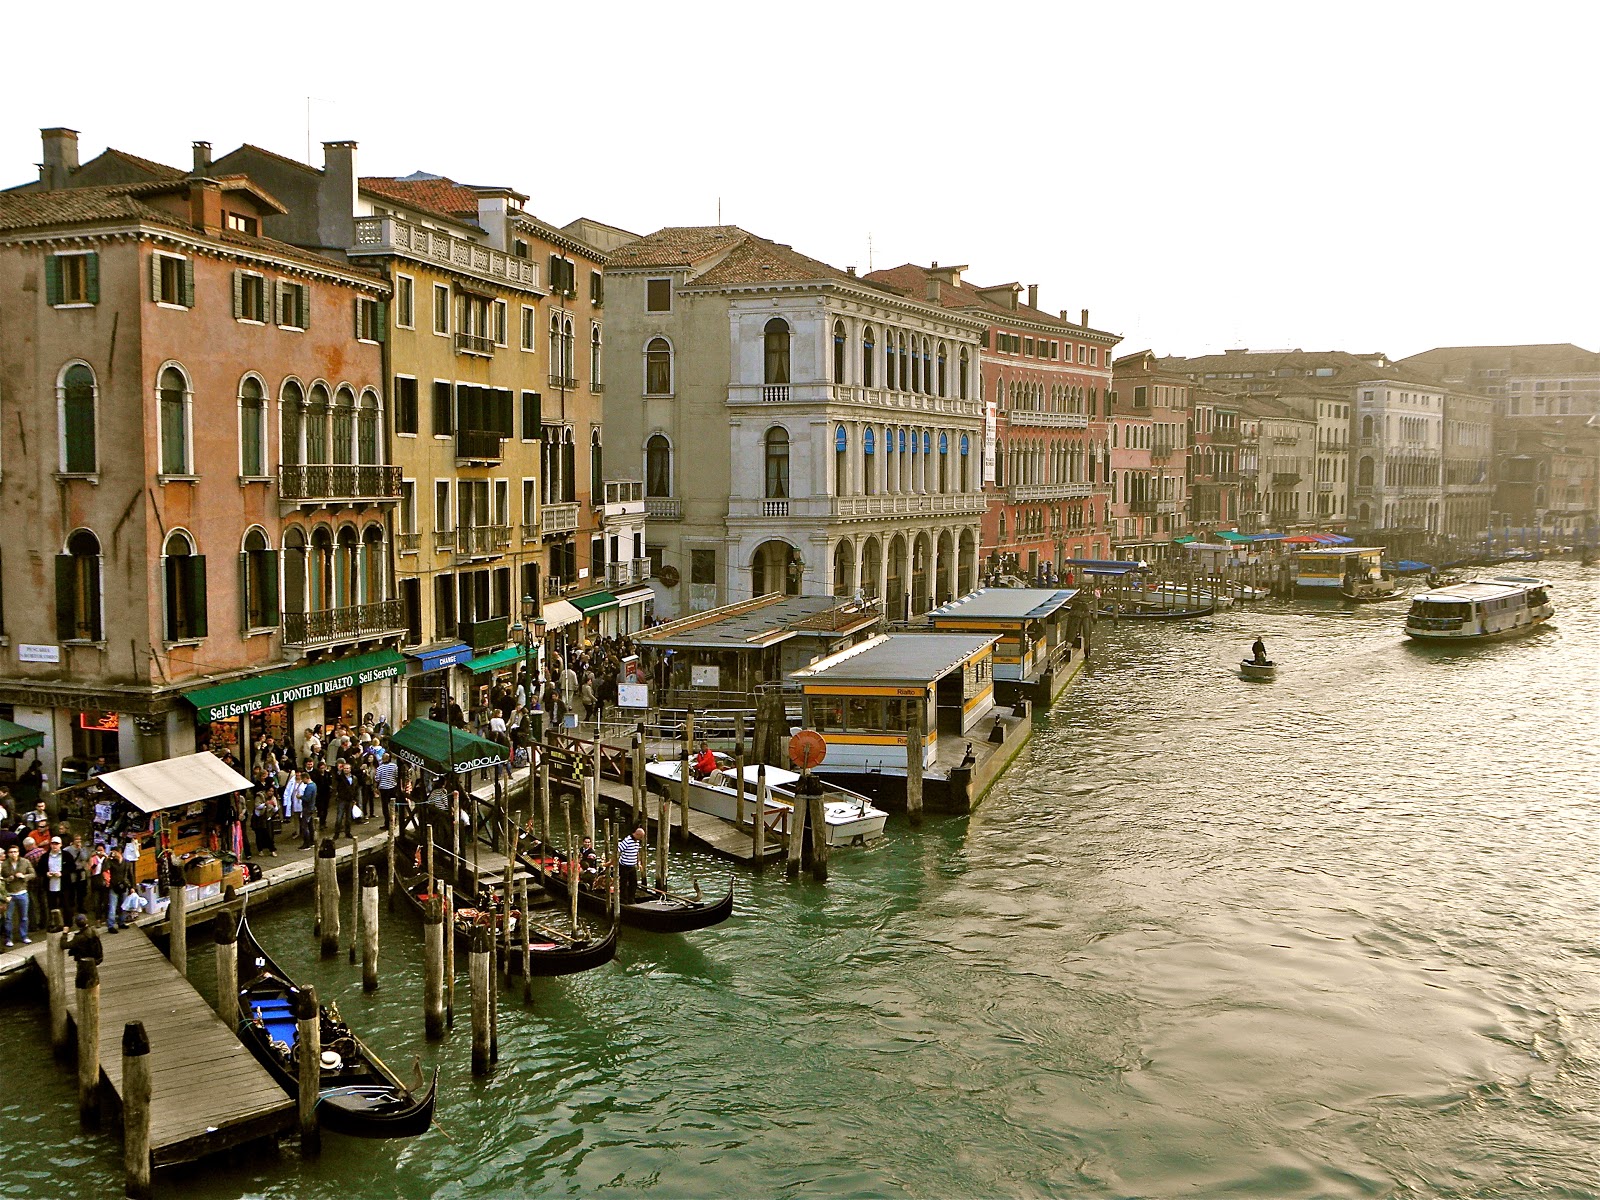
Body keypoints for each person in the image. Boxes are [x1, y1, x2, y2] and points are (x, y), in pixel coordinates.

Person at [3, 843, 33, 945]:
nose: (13, 854)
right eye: (11, 852)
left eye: (15, 852)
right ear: (8, 854)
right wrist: (8, 879)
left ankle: (24, 936)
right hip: (9, 894)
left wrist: (24, 876)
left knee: (24, 916)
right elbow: (1, 878)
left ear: (18, 852)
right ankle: (8, 938)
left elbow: (33, 874)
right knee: (8, 918)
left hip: (22, 892)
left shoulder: (25, 862)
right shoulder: (4, 864)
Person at [617, 827, 643, 905]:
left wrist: (639, 863)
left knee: (633, 883)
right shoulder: (627, 840)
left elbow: (636, 852)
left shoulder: (637, 841)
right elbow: (618, 850)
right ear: (637, 834)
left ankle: (631, 898)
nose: (641, 838)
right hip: (624, 866)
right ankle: (623, 900)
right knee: (623, 883)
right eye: (641, 836)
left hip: (632, 866)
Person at [375, 754, 399, 831]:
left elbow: (377, 779)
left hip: (384, 789)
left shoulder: (380, 768)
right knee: (393, 805)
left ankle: (387, 823)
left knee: (385, 807)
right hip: (392, 787)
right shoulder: (394, 766)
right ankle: (394, 821)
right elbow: (396, 775)